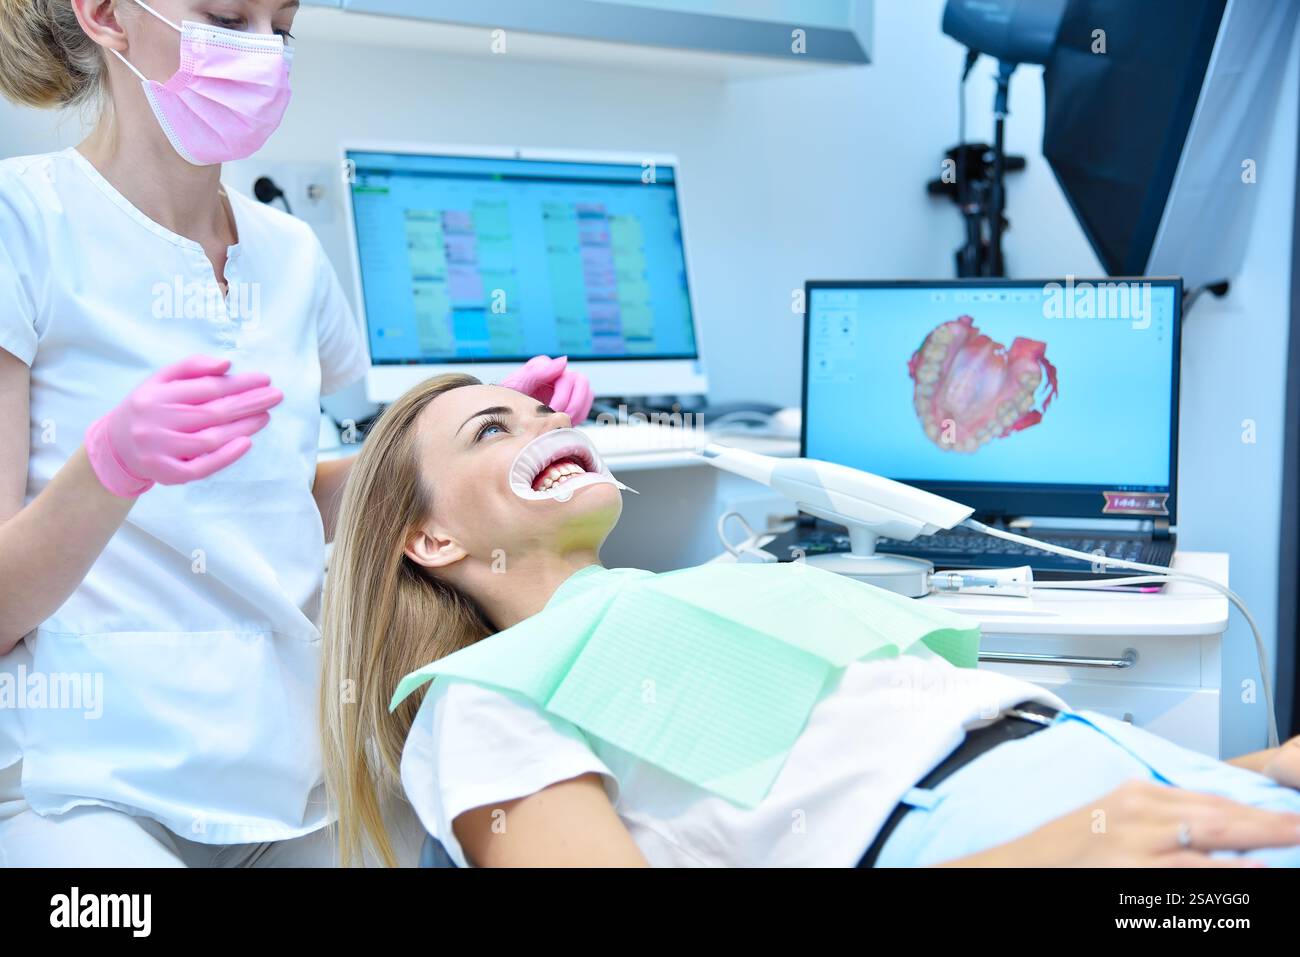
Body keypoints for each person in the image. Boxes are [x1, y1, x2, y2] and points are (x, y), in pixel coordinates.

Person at [0, 0, 592, 867]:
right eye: (225, 18)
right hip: (90, 784)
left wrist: (489, 429)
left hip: (289, 777)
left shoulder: (291, 254)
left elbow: (284, 497)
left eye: (280, 27)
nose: (262, 54)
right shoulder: (25, 221)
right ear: (105, 16)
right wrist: (110, 466)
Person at [320, 374, 1300, 868]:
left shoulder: (708, 591)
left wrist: (1257, 769)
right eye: (493, 429)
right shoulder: (484, 700)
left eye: (542, 412)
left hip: (1148, 792)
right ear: (430, 540)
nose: (544, 424)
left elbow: (910, 726)